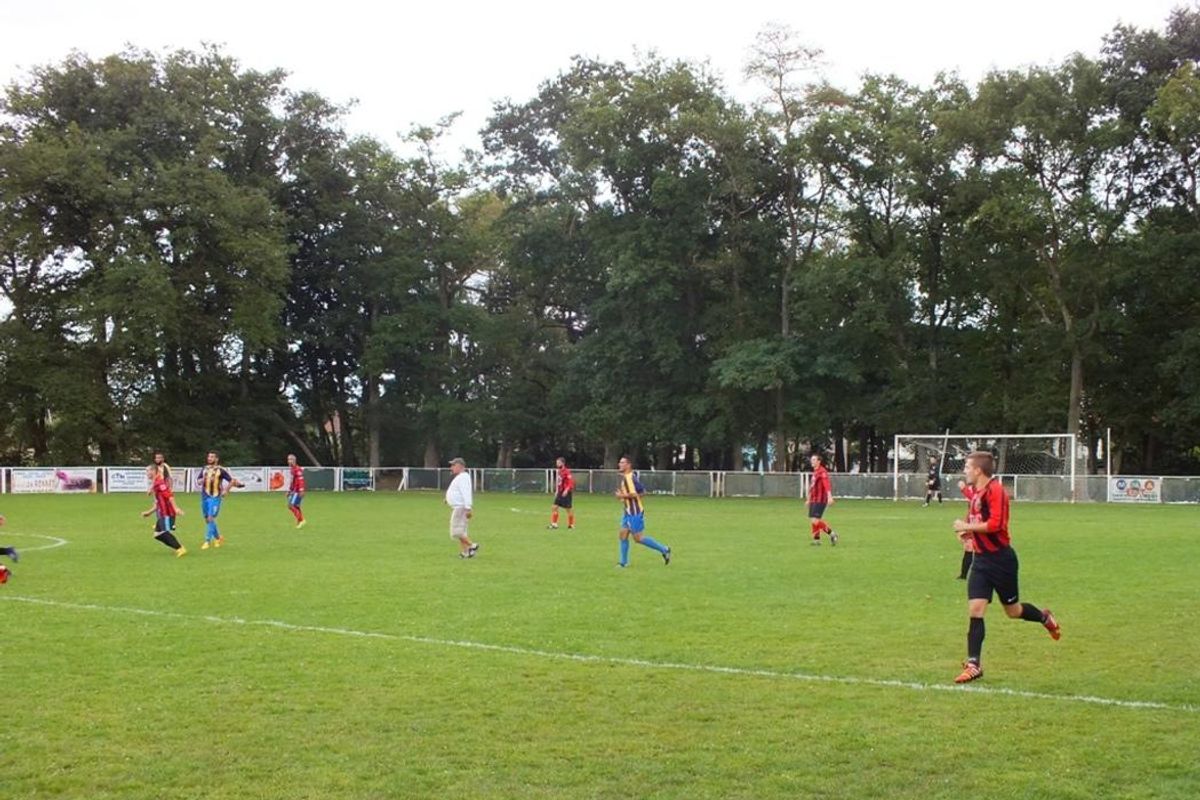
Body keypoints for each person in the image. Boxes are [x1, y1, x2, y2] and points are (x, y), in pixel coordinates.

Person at [951, 451, 1061, 684]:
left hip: (1001, 561)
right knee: (975, 610)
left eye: (967, 467)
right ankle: (974, 664)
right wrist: (967, 533)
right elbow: (980, 523)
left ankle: (1044, 618)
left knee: (1013, 611)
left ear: (978, 470)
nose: (965, 470)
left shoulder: (996, 491)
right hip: (980, 561)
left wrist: (966, 525)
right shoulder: (977, 494)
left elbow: (996, 524)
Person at [615, 456, 670, 567]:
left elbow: (634, 494)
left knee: (638, 538)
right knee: (623, 535)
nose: (619, 464)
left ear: (628, 465)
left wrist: (622, 495)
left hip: (635, 512)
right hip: (628, 511)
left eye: (622, 462)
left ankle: (664, 549)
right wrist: (624, 498)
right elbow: (643, 492)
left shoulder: (629, 478)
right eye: (619, 462)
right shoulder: (630, 477)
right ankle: (623, 563)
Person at [199, 451, 244, 550]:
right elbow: (198, 480)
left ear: (216, 459)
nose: (209, 458)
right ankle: (218, 537)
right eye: (209, 457)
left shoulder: (221, 470)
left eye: (212, 457)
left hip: (215, 497)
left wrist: (226, 490)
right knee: (207, 519)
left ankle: (207, 541)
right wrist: (200, 481)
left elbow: (231, 480)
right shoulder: (204, 469)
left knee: (211, 518)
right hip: (204, 496)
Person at [141, 465, 187, 557]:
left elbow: (169, 495)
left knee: (162, 532)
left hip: (167, 513)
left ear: (154, 471)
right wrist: (149, 512)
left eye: (148, 471)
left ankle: (180, 548)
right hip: (162, 513)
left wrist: (176, 508)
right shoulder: (155, 483)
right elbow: (158, 502)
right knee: (157, 534)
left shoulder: (159, 483)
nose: (147, 474)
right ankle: (179, 548)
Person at [445, 457, 480, 559]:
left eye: (453, 465)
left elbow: (466, 493)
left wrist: (468, 507)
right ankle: (466, 552)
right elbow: (457, 491)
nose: (451, 468)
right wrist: (447, 498)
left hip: (460, 508)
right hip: (459, 507)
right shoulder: (461, 477)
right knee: (461, 531)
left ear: (459, 466)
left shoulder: (463, 477)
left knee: (456, 532)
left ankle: (472, 545)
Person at [807, 453, 838, 545]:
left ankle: (833, 534)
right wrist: (809, 499)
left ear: (819, 461)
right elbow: (812, 487)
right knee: (813, 520)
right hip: (814, 499)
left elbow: (826, 484)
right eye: (811, 460)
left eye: (814, 460)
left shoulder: (822, 472)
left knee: (815, 520)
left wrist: (829, 496)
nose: (812, 461)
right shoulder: (815, 472)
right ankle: (817, 540)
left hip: (820, 500)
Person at [547, 456, 575, 530]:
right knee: (554, 507)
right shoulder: (559, 471)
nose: (557, 464)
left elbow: (570, 482)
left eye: (558, 462)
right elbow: (560, 483)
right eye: (556, 462)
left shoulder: (567, 471)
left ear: (563, 463)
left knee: (568, 509)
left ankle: (571, 525)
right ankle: (554, 524)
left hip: (566, 492)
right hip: (560, 491)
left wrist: (566, 490)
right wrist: (557, 491)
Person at [955, 478, 975, 580]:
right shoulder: (973, 488)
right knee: (968, 546)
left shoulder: (983, 489)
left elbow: (976, 499)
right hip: (971, 521)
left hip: (980, 523)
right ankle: (963, 575)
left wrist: (964, 489)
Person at [286, 453, 306, 528]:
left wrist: (301, 490)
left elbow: (301, 480)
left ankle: (301, 520)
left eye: (290, 459)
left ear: (294, 460)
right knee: (295, 506)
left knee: (291, 505)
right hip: (294, 490)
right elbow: (292, 482)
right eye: (288, 459)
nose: (289, 461)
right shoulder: (292, 469)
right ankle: (300, 521)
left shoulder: (297, 469)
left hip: (298, 491)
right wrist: (289, 490)